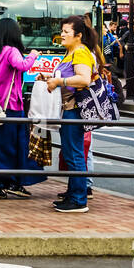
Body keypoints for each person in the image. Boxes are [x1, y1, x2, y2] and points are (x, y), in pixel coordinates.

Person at [0, 18, 44, 200]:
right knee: (15, 147)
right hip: (11, 106)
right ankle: (13, 182)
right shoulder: (11, 51)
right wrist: (33, 55)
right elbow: (22, 66)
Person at [39, 17, 97, 213]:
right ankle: (73, 194)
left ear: (78, 35)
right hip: (69, 108)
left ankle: (79, 200)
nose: (62, 35)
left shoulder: (80, 53)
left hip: (75, 110)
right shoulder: (71, 52)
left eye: (66, 31)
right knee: (71, 152)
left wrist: (59, 82)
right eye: (62, 31)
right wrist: (49, 78)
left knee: (74, 153)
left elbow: (83, 79)